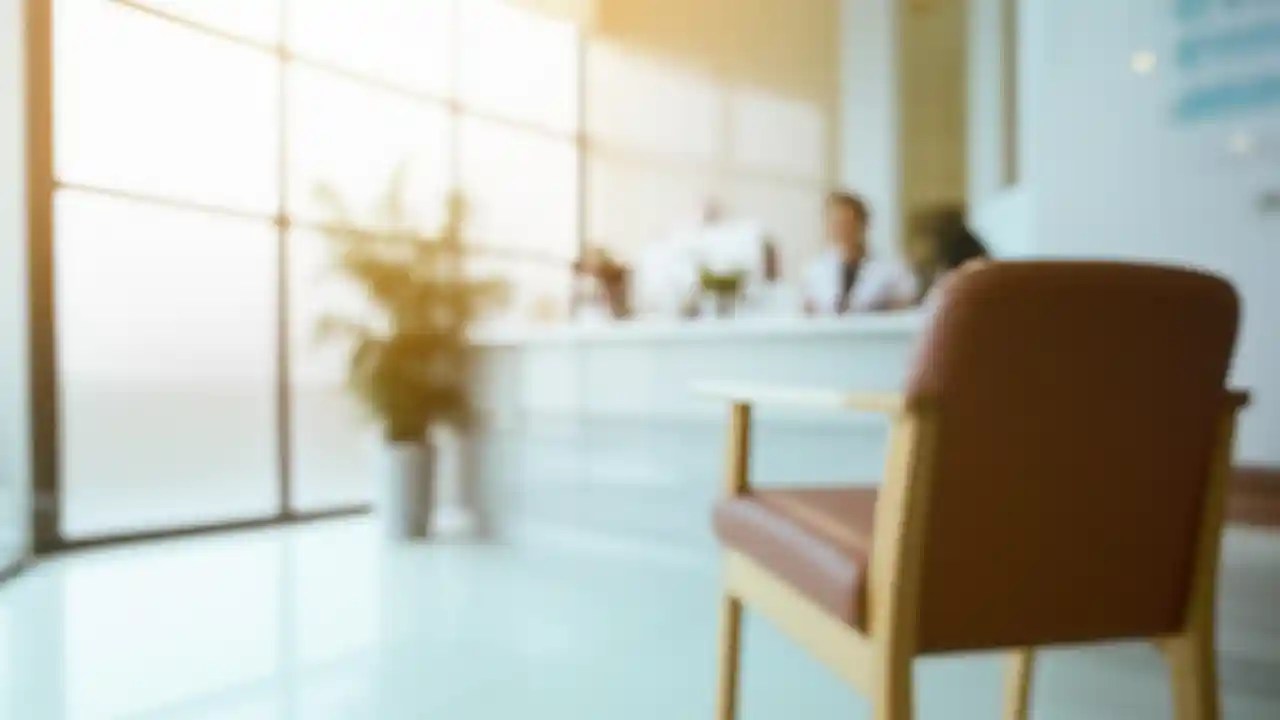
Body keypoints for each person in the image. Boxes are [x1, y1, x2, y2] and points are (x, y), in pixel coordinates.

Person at [804, 192, 917, 314]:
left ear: (863, 224)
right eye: (835, 223)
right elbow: (806, 311)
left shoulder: (892, 269)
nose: (842, 230)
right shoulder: (815, 271)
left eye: (847, 223)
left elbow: (907, 306)